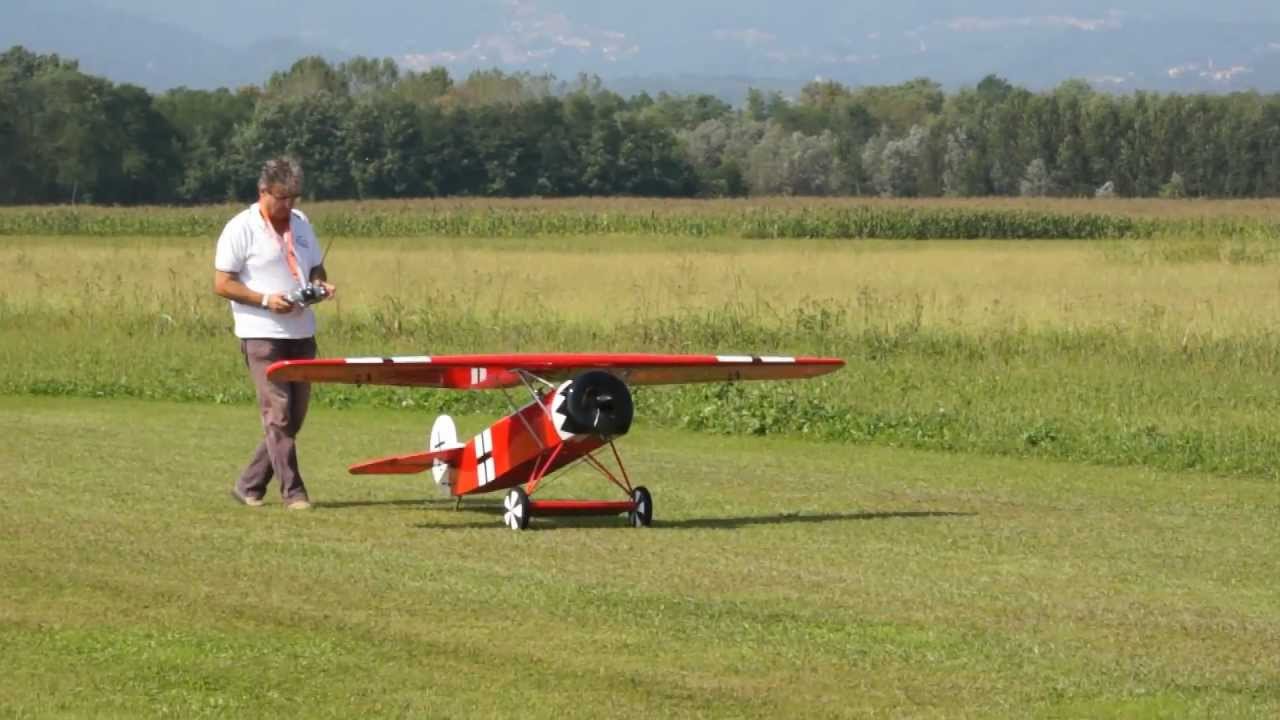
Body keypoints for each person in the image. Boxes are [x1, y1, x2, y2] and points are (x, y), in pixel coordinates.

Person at [214, 157, 336, 510]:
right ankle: (293, 492)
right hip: (261, 333)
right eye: (282, 198)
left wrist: (317, 285)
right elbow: (222, 283)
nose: (289, 205)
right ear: (263, 190)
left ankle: (248, 484)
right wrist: (266, 300)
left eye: (294, 197)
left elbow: (314, 264)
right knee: (278, 413)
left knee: (294, 416)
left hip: (302, 331)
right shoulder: (241, 228)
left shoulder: (301, 223)